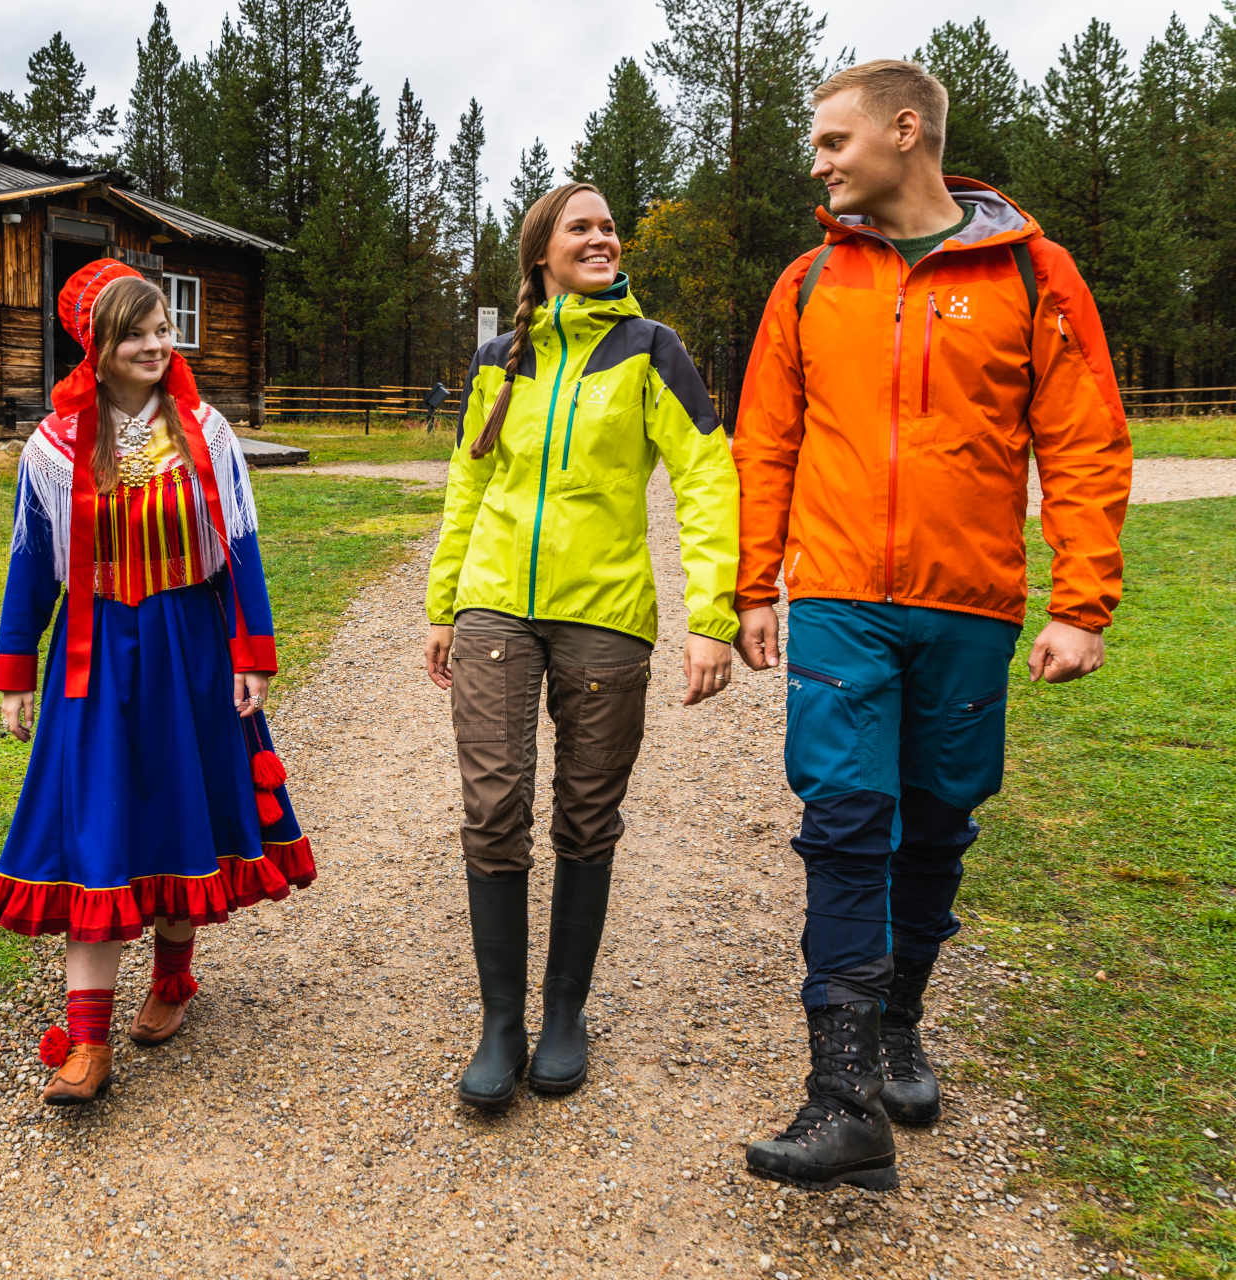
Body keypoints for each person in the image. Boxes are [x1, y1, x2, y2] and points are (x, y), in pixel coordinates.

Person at [733, 60, 1132, 1189]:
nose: (818, 163)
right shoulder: (808, 282)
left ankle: (900, 1020)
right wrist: (755, 585)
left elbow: (1086, 442)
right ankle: (842, 1094)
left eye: (833, 141)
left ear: (906, 133)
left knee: (939, 819)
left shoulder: (1034, 275)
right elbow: (765, 442)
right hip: (844, 601)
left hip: (970, 603)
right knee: (846, 819)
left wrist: (1082, 602)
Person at [425, 181, 740, 1110]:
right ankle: (500, 1021)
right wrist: (444, 602)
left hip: (605, 614)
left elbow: (707, 481)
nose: (602, 237)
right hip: (493, 610)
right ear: (542, 255)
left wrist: (710, 616)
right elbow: (466, 486)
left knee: (586, 815)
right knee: (493, 807)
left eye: (608, 226)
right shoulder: (497, 358)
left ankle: (565, 1012)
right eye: (581, 227)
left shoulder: (654, 350)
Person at [0, 259, 315, 1105]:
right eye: (136, 332)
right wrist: (17, 673)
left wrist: (250, 654)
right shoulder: (52, 449)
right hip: (94, 654)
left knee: (176, 809)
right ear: (95, 343)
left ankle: (171, 979)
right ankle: (87, 1041)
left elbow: (239, 551)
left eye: (164, 329)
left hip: (188, 646)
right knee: (98, 821)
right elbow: (31, 568)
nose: (156, 345)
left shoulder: (207, 431)